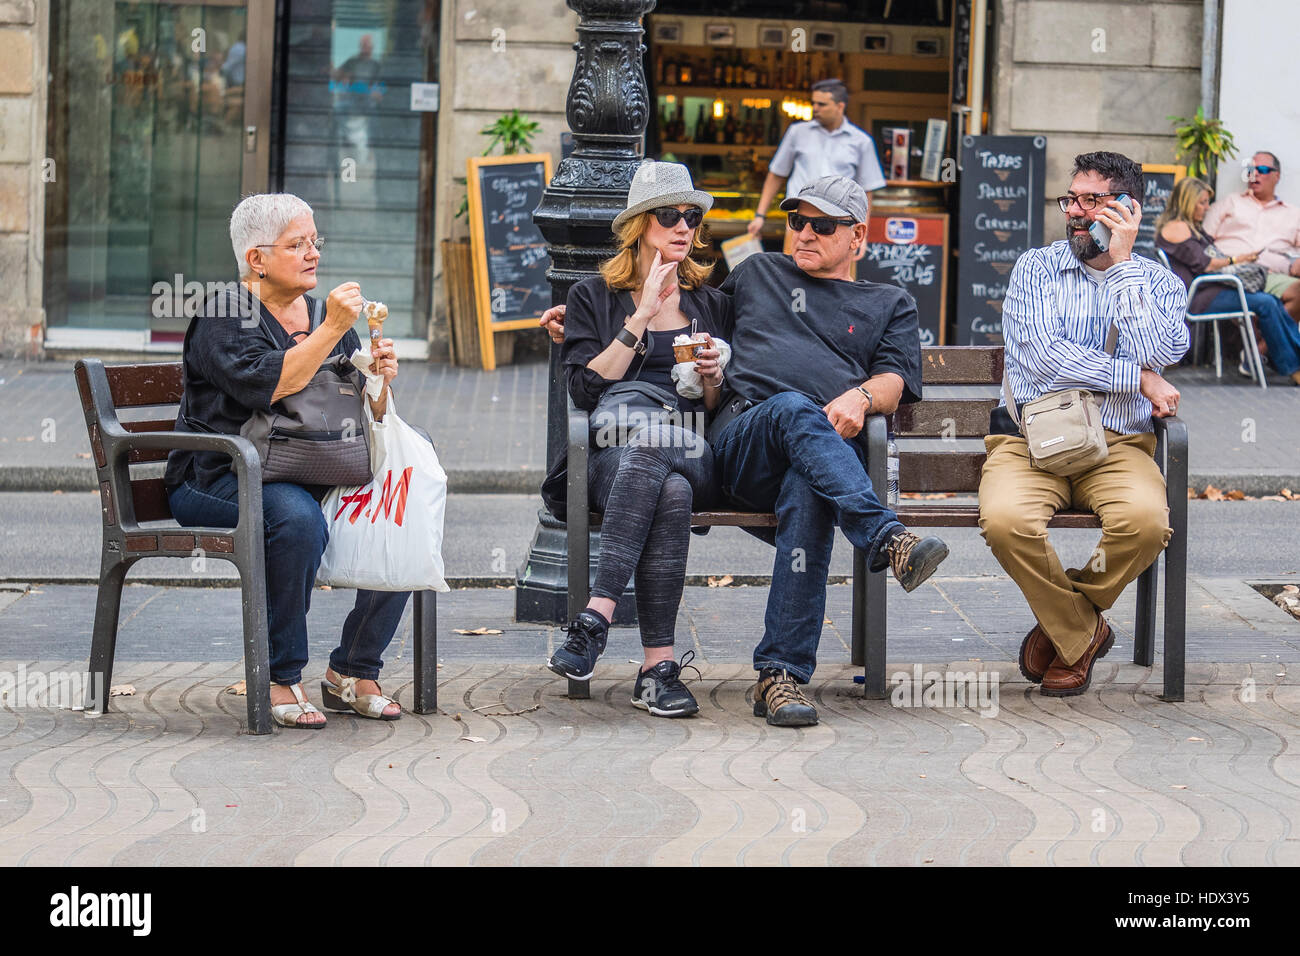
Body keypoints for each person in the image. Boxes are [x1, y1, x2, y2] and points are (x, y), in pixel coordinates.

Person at [542, 175, 949, 728]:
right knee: (789, 406)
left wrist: (861, 394)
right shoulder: (758, 273)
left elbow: (897, 382)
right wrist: (586, 321)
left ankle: (778, 678)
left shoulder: (889, 302)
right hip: (736, 442)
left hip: (815, 458)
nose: (805, 233)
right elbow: (673, 315)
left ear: (858, 238)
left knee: (807, 488)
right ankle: (884, 536)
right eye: (796, 221)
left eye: (822, 225)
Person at [163, 193, 408, 729]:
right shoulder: (225, 314)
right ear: (257, 259)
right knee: (294, 517)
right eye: (297, 245)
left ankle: (353, 670)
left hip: (307, 467)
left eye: (314, 242)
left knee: (401, 504)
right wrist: (329, 335)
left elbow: (363, 409)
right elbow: (272, 386)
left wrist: (379, 380)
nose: (312, 254)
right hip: (220, 474)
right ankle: (281, 677)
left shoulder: (323, 314)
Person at [981, 151, 1190, 698]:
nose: (1074, 211)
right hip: (1033, 437)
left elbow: (1161, 351)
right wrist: (1137, 379)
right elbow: (1043, 357)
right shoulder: (1036, 268)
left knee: (1145, 525)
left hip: (1119, 443)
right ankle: (1082, 632)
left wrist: (1121, 270)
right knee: (1006, 523)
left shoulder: (1159, 283)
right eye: (1070, 199)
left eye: (1090, 200)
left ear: (1126, 210)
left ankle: (1066, 623)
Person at [542, 162, 731, 718]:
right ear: (640, 225)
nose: (683, 227)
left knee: (662, 454)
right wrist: (642, 316)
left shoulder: (712, 302)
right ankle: (658, 670)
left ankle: (596, 616)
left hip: (694, 442)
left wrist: (716, 378)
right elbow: (582, 387)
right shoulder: (592, 297)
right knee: (667, 491)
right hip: (612, 453)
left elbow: (720, 411)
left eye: (691, 217)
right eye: (669, 215)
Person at [1157, 176, 1300, 386]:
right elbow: (1205, 264)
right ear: (1188, 201)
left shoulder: (1191, 227)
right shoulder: (1178, 228)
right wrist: (1237, 259)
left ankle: (1292, 363)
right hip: (1198, 296)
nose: (1206, 208)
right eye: (1202, 202)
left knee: (1271, 301)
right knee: (1267, 303)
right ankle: (1292, 368)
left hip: (1212, 288)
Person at [745, 78, 886, 258]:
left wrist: (861, 236)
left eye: (822, 104)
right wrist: (760, 215)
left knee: (834, 281)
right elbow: (776, 174)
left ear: (840, 106)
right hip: (799, 221)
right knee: (792, 276)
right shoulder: (797, 132)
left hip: (838, 226)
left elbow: (866, 191)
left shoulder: (861, 141)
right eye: (813, 103)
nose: (815, 108)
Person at [1203, 151, 1300, 322]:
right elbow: (1203, 240)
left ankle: (1260, 348)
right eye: (1250, 169)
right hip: (1232, 274)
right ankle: (1262, 347)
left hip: (1271, 276)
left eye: (1261, 169)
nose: (1254, 174)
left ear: (1276, 176)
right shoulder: (1229, 202)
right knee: (1258, 303)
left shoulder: (1293, 214)